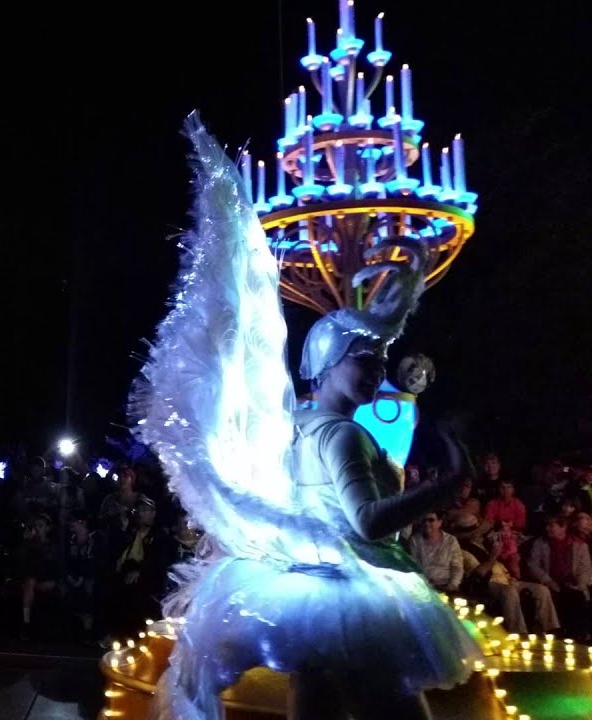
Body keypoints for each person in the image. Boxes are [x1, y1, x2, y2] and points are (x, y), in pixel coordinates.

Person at [134, 117, 480, 720]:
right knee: (392, 708)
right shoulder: (343, 434)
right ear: (326, 363)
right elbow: (370, 522)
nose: (375, 371)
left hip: (309, 584)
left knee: (317, 697)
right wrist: (445, 485)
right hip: (347, 588)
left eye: (379, 361)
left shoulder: (301, 426)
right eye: (362, 360)